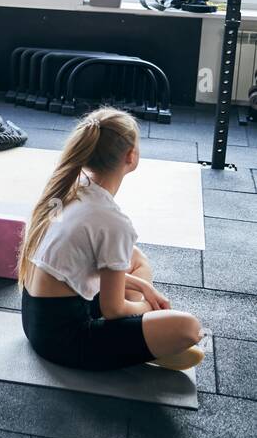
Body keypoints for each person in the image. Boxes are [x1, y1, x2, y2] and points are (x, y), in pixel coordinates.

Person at [18, 107, 205, 371]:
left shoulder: (71, 189)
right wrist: (146, 308)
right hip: (64, 340)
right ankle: (142, 342)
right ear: (131, 156)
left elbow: (79, 269)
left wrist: (143, 287)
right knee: (189, 328)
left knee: (135, 258)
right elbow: (113, 309)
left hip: (35, 321)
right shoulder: (112, 221)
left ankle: (140, 340)